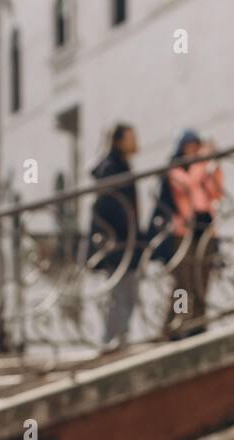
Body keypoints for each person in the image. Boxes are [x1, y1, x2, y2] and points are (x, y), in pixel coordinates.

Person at [149, 130, 224, 338]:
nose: (194, 149)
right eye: (190, 145)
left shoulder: (204, 167)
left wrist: (213, 165)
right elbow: (188, 184)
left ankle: (198, 323)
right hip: (182, 231)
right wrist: (201, 161)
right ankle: (178, 322)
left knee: (202, 279)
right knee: (183, 283)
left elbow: (216, 192)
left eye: (196, 145)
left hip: (205, 228)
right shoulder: (175, 169)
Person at [86, 124, 141, 346]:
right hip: (118, 243)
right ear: (119, 141)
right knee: (121, 294)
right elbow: (107, 205)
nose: (135, 141)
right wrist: (127, 230)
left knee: (124, 294)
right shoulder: (113, 167)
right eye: (130, 137)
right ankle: (112, 341)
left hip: (122, 241)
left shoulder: (119, 165)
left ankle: (116, 339)